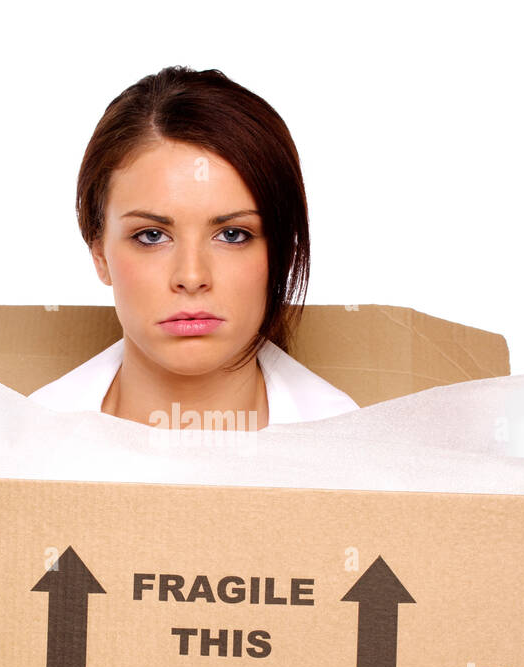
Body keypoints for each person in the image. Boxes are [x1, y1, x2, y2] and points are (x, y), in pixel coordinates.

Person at [28, 65, 359, 430]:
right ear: (99, 253)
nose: (192, 276)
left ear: (282, 252)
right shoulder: (17, 448)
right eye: (151, 235)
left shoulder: (360, 459)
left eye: (233, 234)